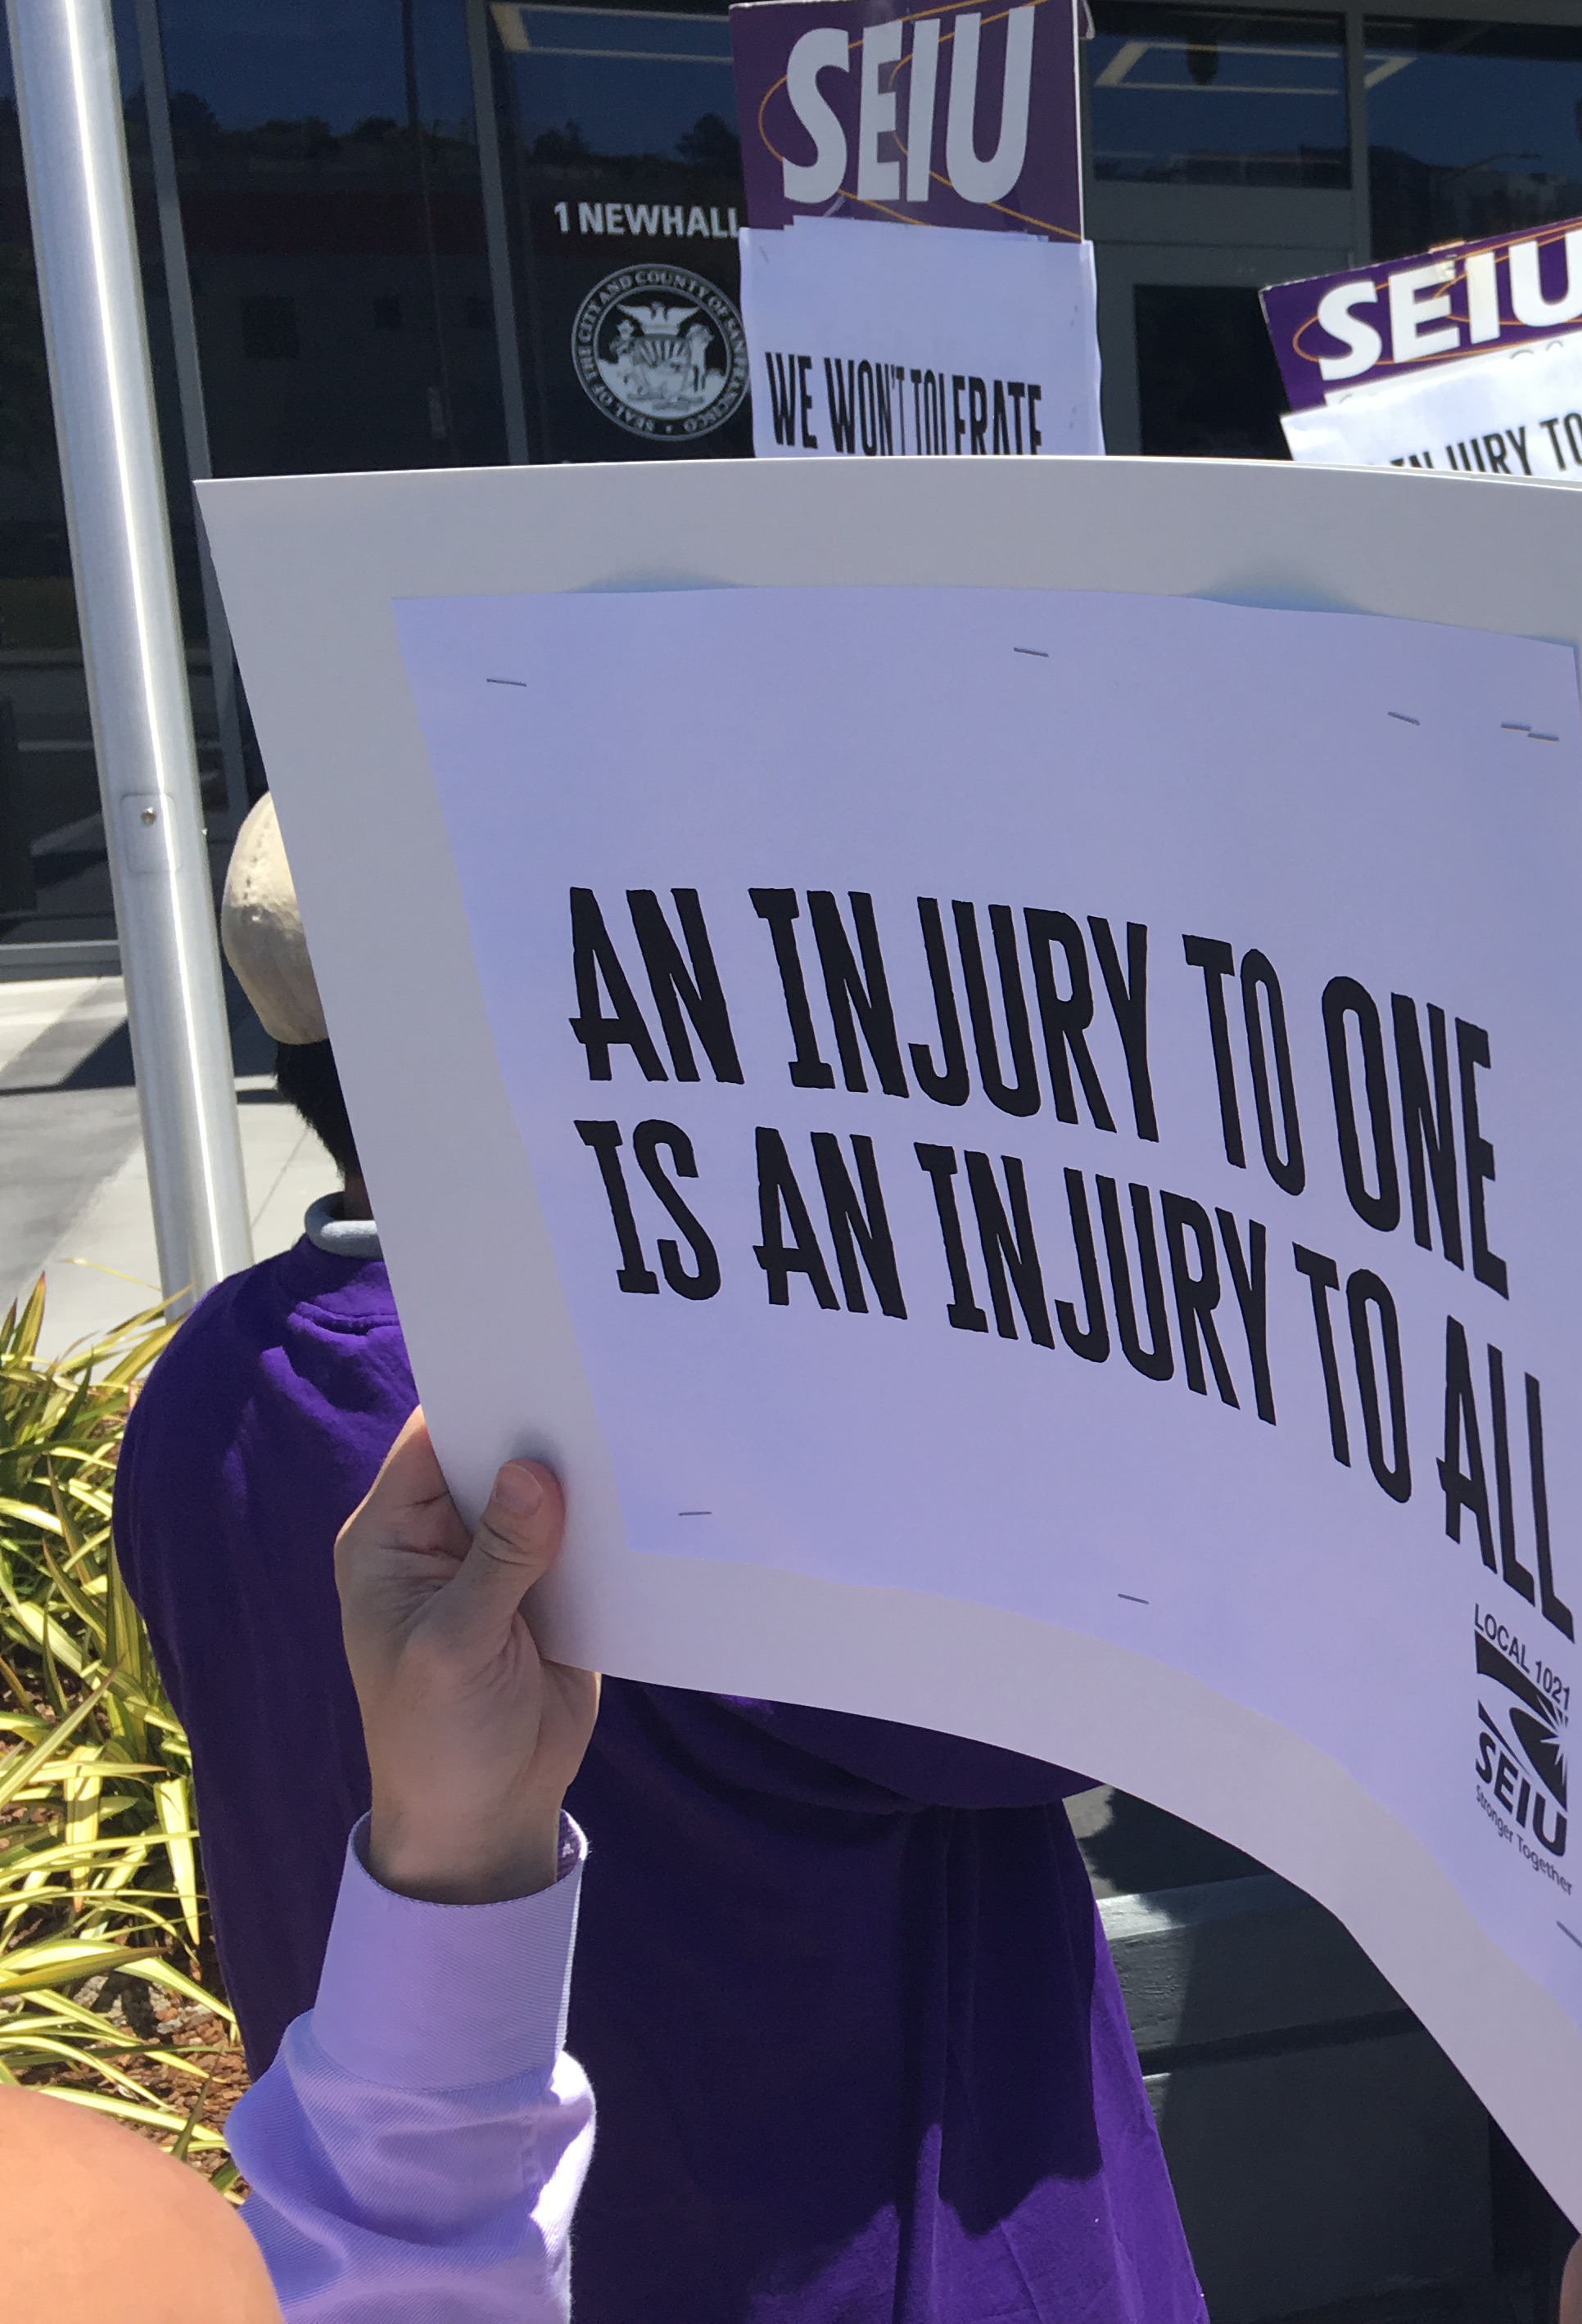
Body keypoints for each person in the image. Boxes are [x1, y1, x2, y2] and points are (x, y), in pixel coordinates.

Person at [7, 1411, 1582, 2324]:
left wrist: (456, 1859)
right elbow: (1073, 1709)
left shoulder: (203, 1399)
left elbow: (383, 2276)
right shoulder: (679, 1456)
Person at [111, 798, 1203, 2322]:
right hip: (868, 2260)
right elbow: (1099, 1692)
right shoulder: (694, 1404)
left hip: (444, 2230)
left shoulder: (195, 1396)